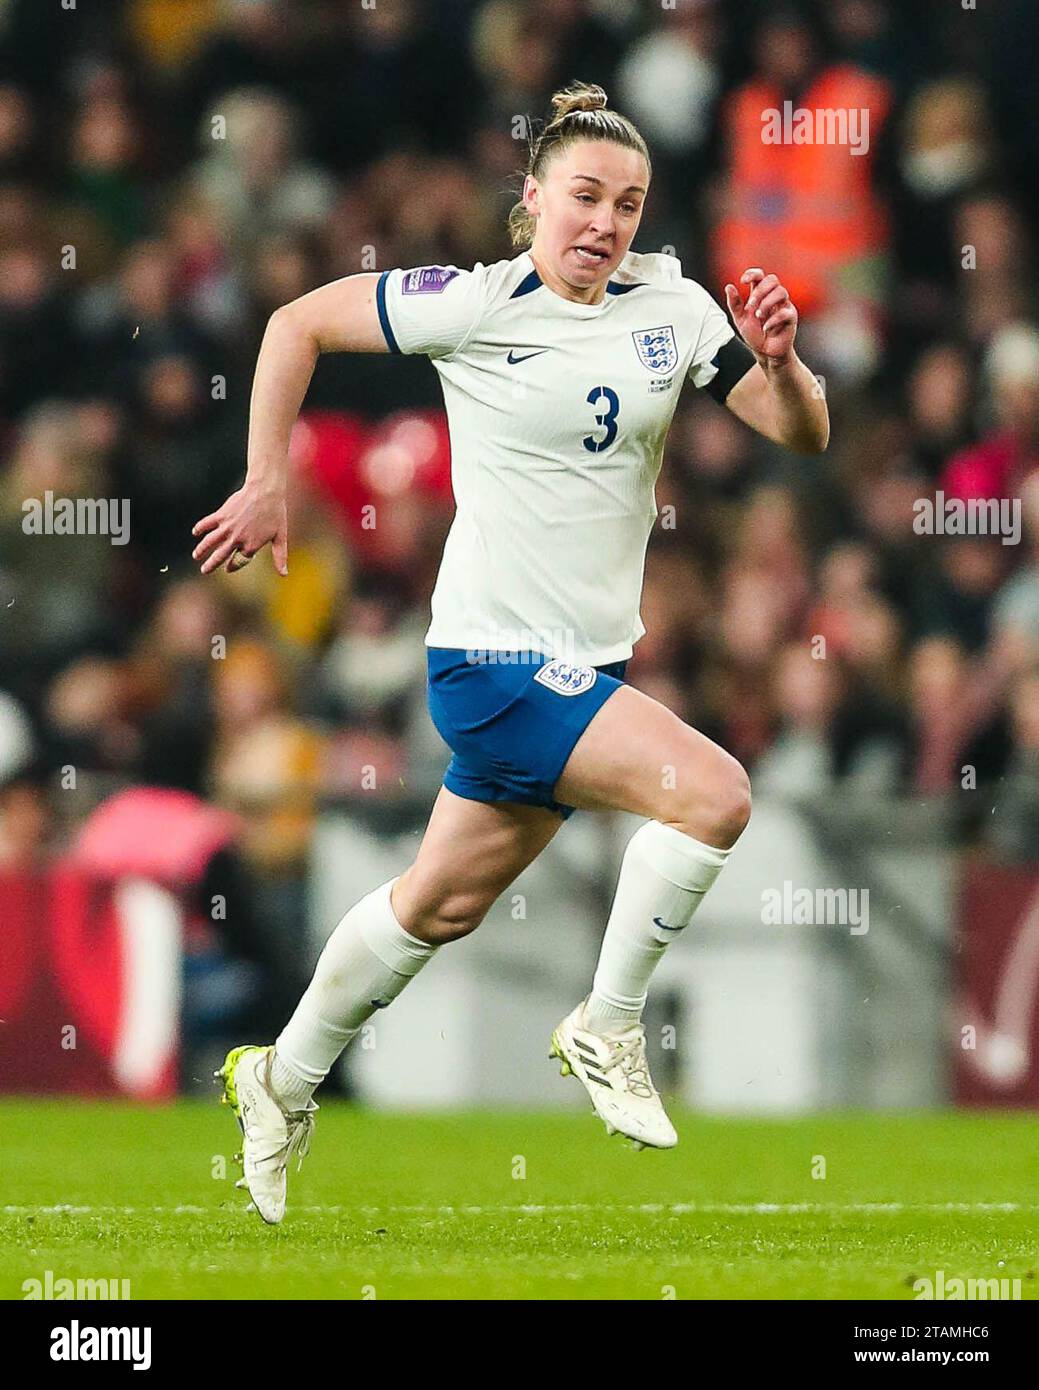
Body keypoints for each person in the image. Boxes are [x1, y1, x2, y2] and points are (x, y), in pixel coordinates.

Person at [192, 82, 828, 1224]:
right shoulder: (468, 303)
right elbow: (294, 326)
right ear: (533, 198)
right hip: (489, 663)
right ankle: (608, 1022)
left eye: (627, 203)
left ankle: (274, 1082)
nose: (604, 222)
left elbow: (802, 434)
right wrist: (266, 477)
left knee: (434, 907)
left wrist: (780, 363)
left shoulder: (673, 309)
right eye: (584, 195)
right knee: (716, 796)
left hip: (583, 668)